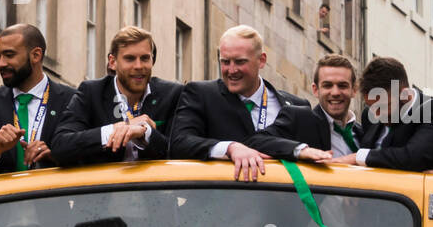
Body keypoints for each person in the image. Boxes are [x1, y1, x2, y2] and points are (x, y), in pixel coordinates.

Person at [169, 25, 317, 180]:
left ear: (261, 60)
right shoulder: (200, 94)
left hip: (281, 201)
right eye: (225, 62)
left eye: (240, 62)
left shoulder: (297, 106)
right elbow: (179, 143)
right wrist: (229, 148)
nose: (231, 70)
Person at [51, 27, 183, 166]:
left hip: (156, 186)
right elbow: (61, 146)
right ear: (112, 62)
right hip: (107, 186)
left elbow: (180, 150)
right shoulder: (91, 92)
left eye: (145, 58)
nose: (138, 66)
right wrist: (117, 129)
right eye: (130, 59)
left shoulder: (173, 94)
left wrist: (147, 133)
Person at [0, 24, 78, 178]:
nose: (1, 63)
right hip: (3, 201)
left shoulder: (72, 100)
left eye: (9, 55)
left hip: (56, 199)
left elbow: (89, 160)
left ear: (35, 55)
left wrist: (54, 155)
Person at [334, 56, 433, 171]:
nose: (376, 115)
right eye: (372, 107)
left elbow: (411, 158)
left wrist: (357, 157)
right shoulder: (369, 116)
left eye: (382, 107)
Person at [251, 53, 361, 157]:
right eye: (327, 85)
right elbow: (255, 141)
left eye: (342, 86)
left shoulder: (365, 132)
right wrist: (301, 150)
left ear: (354, 90)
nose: (335, 93)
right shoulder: (299, 119)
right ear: (315, 90)